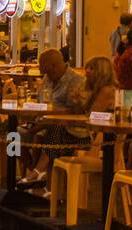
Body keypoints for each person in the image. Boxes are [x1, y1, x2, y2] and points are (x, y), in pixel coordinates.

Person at [23, 48, 89, 182]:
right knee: (12, 135)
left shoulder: (76, 81)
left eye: (46, 71)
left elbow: (75, 112)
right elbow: (40, 100)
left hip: (68, 129)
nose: (45, 75)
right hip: (43, 123)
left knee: (48, 131)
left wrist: (45, 119)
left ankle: (37, 172)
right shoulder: (48, 78)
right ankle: (33, 172)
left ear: (54, 66)